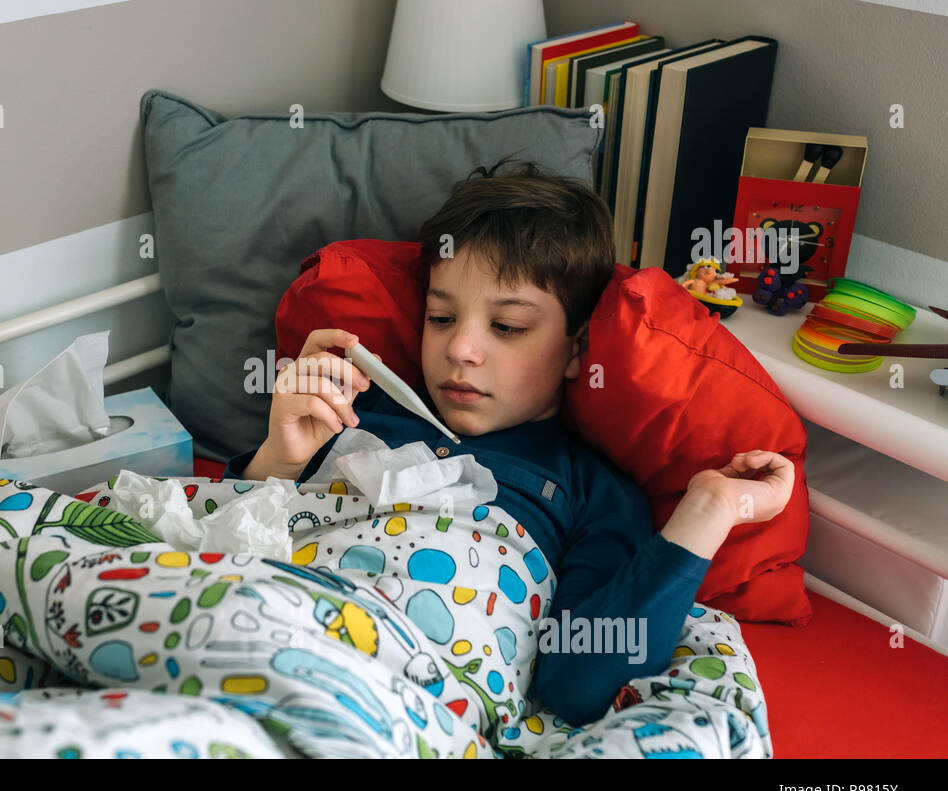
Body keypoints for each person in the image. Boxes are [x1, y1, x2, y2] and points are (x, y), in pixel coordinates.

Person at [223, 157, 794, 727]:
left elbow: (577, 686)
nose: (460, 349)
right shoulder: (355, 411)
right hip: (251, 632)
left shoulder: (591, 491)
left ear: (576, 349)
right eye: (441, 317)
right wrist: (279, 460)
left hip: (395, 703)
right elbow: (214, 541)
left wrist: (708, 511)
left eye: (507, 327)